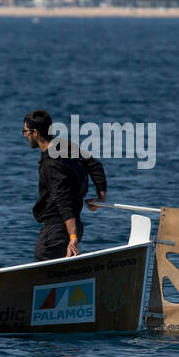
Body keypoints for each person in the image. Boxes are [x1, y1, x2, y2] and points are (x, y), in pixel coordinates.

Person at [22, 109, 108, 261]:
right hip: (74, 225)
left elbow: (62, 200)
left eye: (25, 131)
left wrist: (72, 237)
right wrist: (101, 198)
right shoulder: (63, 146)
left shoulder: (51, 164)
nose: (25, 135)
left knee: (42, 259)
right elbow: (94, 165)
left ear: (35, 133)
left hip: (58, 230)